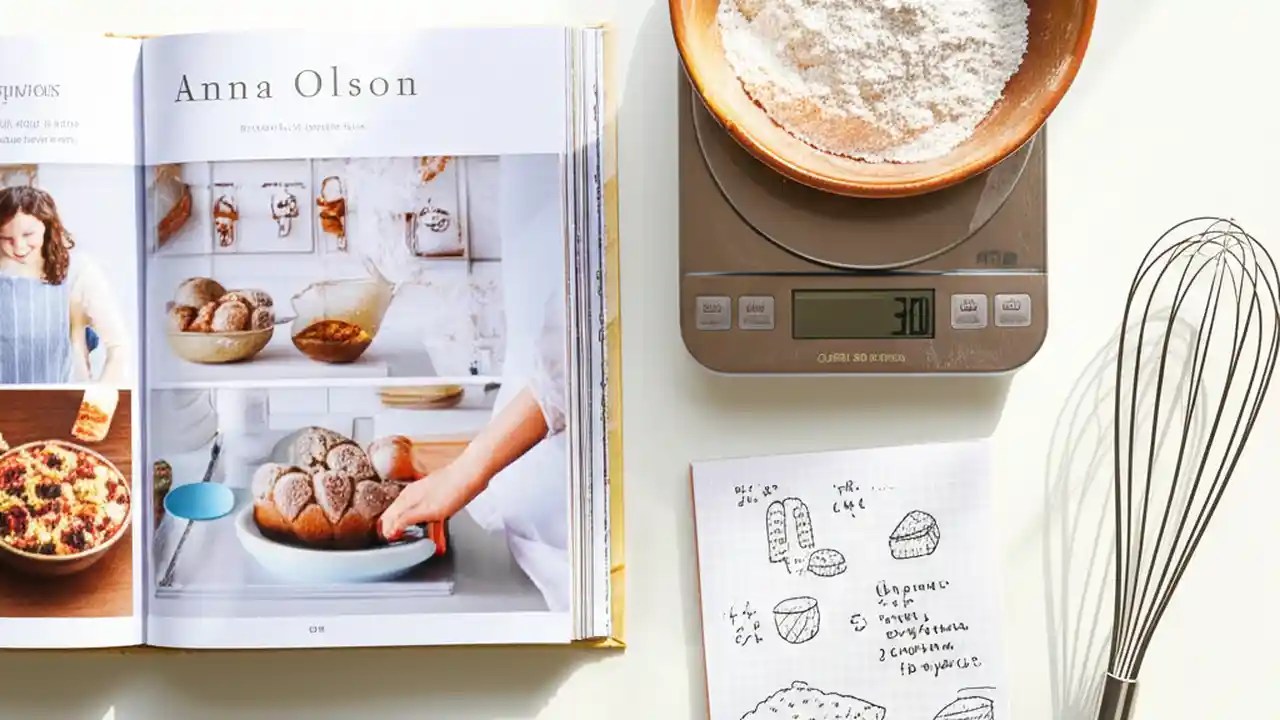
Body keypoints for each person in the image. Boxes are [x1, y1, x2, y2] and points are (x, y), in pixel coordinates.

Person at [380, 154, 570, 611]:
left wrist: (467, 471)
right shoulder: (526, 157)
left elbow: (579, 351)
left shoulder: (601, 139)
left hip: (575, 525)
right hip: (526, 489)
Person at [0, 186, 129, 385]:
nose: (19, 247)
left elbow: (118, 345)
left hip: (65, 402)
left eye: (28, 235)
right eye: (6, 238)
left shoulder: (79, 271)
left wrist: (101, 397)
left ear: (47, 226)